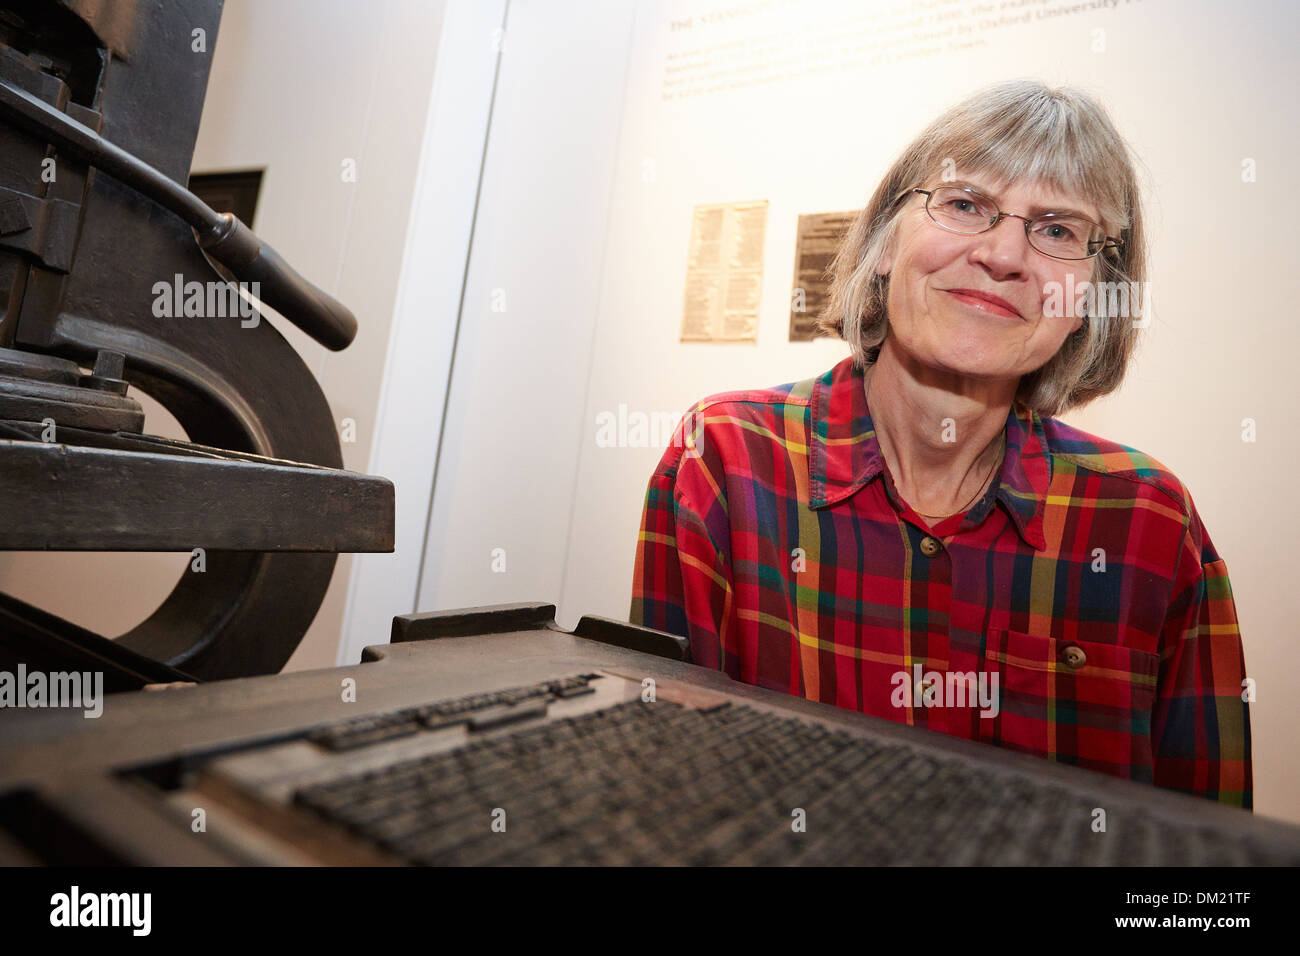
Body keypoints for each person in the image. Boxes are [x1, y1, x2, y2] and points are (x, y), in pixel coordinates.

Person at [629, 80, 1251, 809]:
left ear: (1090, 296)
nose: (1003, 253)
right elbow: (668, 801)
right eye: (965, 205)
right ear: (887, 240)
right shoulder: (727, 463)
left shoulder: (1147, 522)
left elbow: (1209, 875)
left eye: (1057, 230)